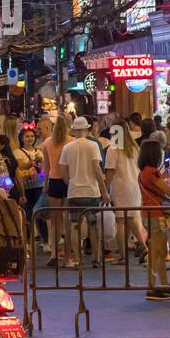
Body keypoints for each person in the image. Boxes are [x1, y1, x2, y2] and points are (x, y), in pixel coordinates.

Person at [58, 116, 111, 267]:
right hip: (92, 192)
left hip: (74, 192)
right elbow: (96, 169)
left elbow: (63, 173)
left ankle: (78, 259)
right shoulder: (93, 146)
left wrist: (72, 182)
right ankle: (96, 258)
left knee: (75, 225)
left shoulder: (67, 148)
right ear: (87, 129)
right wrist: (104, 191)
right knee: (93, 225)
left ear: (74, 130)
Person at [138, 140, 170, 299]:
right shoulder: (151, 172)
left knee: (161, 251)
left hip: (151, 212)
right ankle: (152, 287)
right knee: (156, 252)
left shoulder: (145, 172)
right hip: (155, 213)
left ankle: (163, 285)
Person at [104, 122, 145, 264]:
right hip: (135, 186)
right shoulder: (135, 147)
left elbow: (110, 171)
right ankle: (142, 246)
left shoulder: (113, 149)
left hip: (121, 186)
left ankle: (123, 256)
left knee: (120, 220)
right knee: (131, 217)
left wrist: (105, 189)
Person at [41, 114, 72, 267]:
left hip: (54, 181)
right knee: (67, 220)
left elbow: (45, 167)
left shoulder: (47, 142)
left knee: (55, 221)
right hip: (68, 181)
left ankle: (54, 253)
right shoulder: (71, 141)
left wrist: (45, 184)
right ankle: (67, 255)